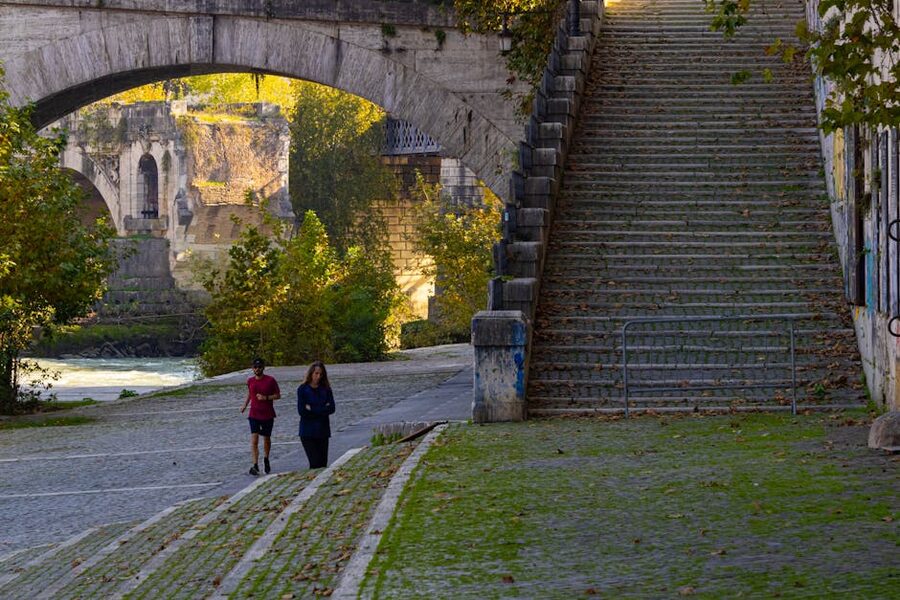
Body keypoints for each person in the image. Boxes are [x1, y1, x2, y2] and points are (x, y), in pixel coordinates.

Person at [240, 357, 281, 476]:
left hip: (267, 414)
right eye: (255, 367)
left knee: (266, 439)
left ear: (263, 368)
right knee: (254, 439)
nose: (257, 369)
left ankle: (266, 459)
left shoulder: (270, 380)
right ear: (252, 368)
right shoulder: (250, 381)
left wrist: (266, 398)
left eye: (259, 367)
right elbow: (250, 394)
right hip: (254, 414)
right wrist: (244, 405)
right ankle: (255, 465)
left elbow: (278, 395)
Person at [297, 361, 335, 469]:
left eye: (320, 374)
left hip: (323, 431)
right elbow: (302, 411)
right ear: (311, 374)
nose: (318, 376)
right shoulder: (303, 389)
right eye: (316, 373)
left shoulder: (326, 389)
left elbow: (331, 408)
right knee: (314, 462)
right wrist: (322, 409)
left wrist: (312, 408)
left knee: (323, 464)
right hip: (307, 432)